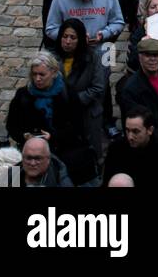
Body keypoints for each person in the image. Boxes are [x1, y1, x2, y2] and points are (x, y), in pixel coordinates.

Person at [6, 52, 96, 186]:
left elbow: (77, 127)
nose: (37, 79)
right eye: (34, 74)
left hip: (64, 153)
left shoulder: (67, 94)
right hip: (33, 155)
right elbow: (12, 125)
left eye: (42, 74)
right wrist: (24, 136)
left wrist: (54, 136)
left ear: (53, 73)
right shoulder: (23, 95)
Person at [48, 17, 107, 163]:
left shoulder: (94, 57)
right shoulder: (52, 58)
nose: (67, 41)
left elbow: (98, 88)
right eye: (65, 36)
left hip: (86, 114)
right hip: (60, 116)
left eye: (72, 37)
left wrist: (75, 100)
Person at [103, 110, 158, 188]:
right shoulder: (117, 149)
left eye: (135, 131)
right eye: (127, 130)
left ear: (150, 130)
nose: (130, 137)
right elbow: (107, 180)